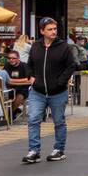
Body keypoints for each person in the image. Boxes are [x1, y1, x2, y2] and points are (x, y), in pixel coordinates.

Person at [21, 18, 78, 164]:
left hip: (58, 92)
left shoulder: (63, 47)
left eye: (55, 29)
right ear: (42, 31)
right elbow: (29, 64)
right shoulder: (35, 46)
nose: (53, 32)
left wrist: (60, 82)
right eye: (50, 29)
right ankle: (34, 151)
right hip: (37, 91)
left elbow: (71, 65)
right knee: (33, 119)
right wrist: (31, 76)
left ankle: (59, 149)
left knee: (58, 121)